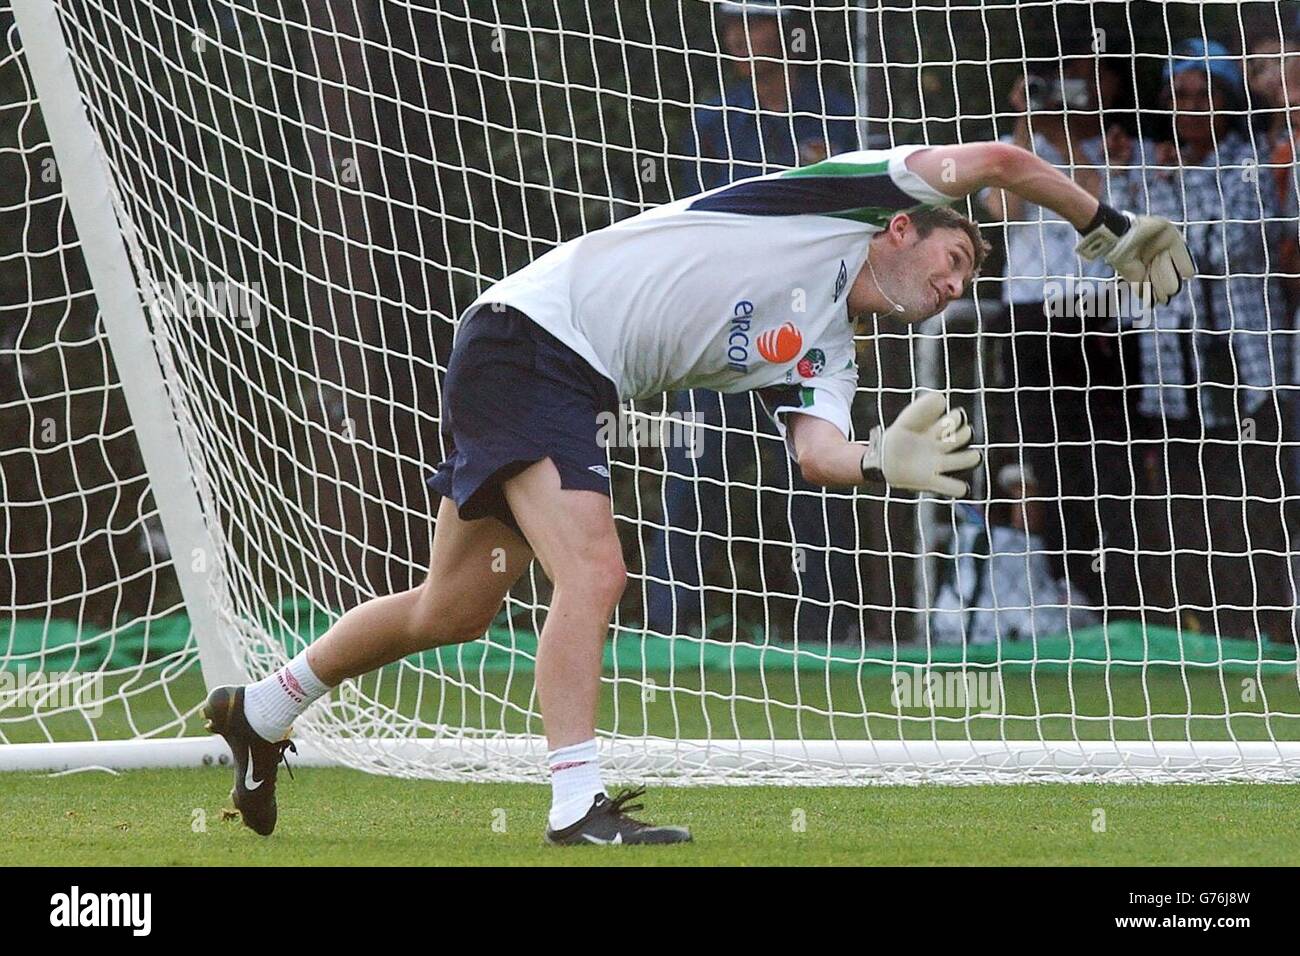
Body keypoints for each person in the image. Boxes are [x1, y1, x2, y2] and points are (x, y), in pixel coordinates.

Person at [202, 139, 1192, 844]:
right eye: (954, 257)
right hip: (530, 346)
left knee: (451, 607)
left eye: (968, 276)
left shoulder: (827, 348)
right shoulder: (843, 199)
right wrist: (1100, 224)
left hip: (548, 369)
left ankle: (262, 707)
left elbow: (817, 454)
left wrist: (882, 459)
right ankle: (573, 803)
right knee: (596, 572)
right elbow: (1006, 163)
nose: (954, 282)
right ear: (900, 225)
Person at [648, 0, 862, 643]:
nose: (745, 36)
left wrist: (859, 323)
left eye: (760, 22)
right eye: (734, 24)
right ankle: (670, 630)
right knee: (694, 470)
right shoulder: (712, 120)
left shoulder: (838, 111)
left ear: (790, 29)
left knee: (816, 469)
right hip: (726, 321)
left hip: (813, 320)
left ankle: (831, 630)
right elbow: (693, 223)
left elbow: (861, 221)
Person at [1130, 39, 1295, 645]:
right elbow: (1122, 255)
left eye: (1204, 95)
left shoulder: (1254, 160)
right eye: (1180, 96)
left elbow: (1231, 242)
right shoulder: (1143, 169)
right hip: (1174, 367)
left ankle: (1270, 634)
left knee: (1257, 506)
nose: (1191, 106)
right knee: (1184, 511)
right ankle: (1202, 638)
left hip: (1249, 361)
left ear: (1227, 101)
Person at [982, 51, 1152, 612]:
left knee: (1107, 451)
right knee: (1045, 450)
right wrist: (1029, 125)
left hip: (1100, 306)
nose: (1069, 91)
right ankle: (1064, 588)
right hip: (1032, 309)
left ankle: (1115, 590)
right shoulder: (1014, 150)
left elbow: (1094, 205)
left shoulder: (1120, 147)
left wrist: (1072, 134)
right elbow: (1004, 209)